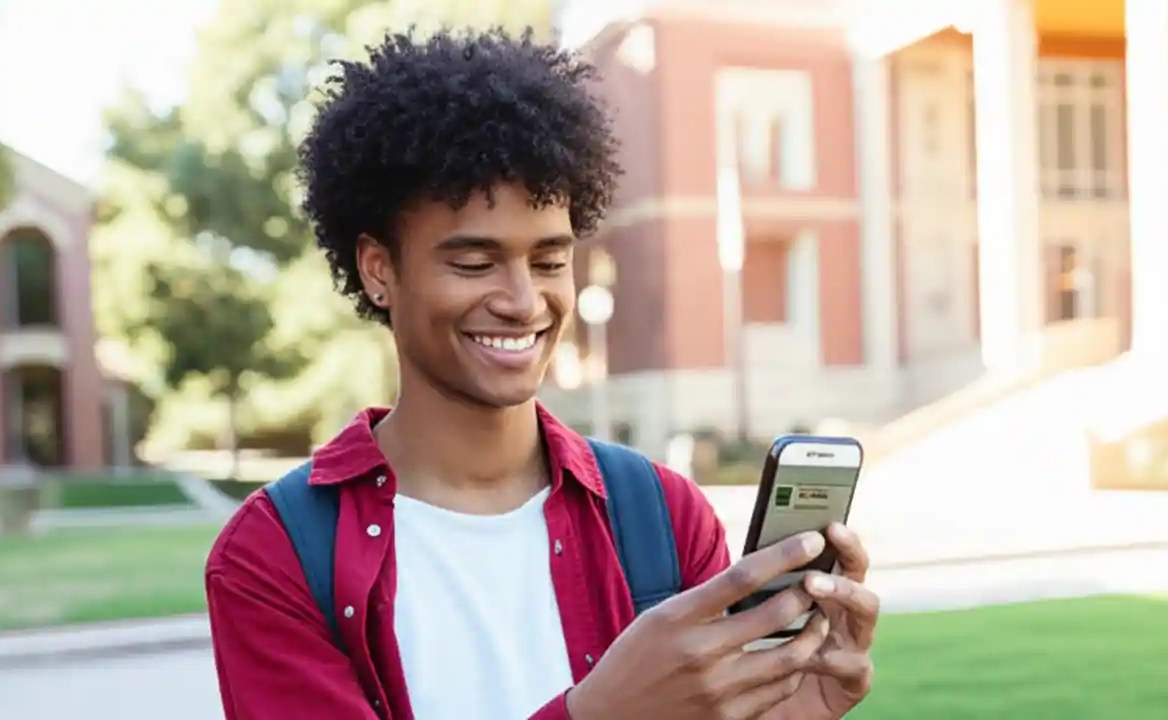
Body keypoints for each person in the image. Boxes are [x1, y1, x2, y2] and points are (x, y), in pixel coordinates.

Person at [205, 27, 879, 720]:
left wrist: (793, 712)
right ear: (379, 269)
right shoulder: (276, 557)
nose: (524, 301)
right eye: (473, 262)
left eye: (551, 261)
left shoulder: (664, 517)